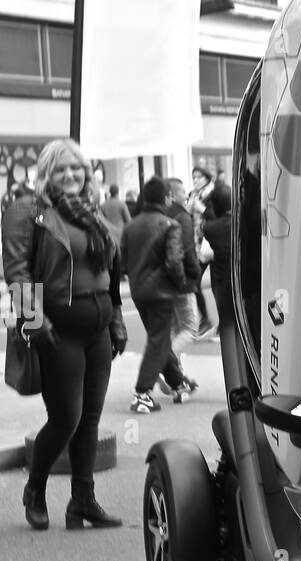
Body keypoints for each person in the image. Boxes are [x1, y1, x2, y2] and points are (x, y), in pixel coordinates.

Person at [1, 137, 126, 530]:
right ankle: (35, 488)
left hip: (99, 327)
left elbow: (111, 272)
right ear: (47, 173)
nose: (71, 174)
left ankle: (82, 502)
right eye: (61, 168)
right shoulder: (28, 210)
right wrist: (36, 324)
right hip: (57, 331)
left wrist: (117, 319)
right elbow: (16, 271)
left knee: (89, 419)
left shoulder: (91, 211)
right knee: (66, 419)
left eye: (77, 167)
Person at [121, 176, 190, 413]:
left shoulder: (131, 226)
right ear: (166, 197)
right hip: (161, 291)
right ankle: (142, 393)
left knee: (157, 339)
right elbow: (174, 262)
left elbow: (122, 262)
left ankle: (179, 382)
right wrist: (179, 283)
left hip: (139, 291)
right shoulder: (170, 224)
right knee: (158, 341)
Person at [163, 178, 201, 388]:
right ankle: (166, 366)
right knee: (189, 327)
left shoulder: (160, 216)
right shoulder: (183, 217)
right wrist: (193, 272)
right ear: (172, 195)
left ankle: (177, 377)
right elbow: (187, 249)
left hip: (163, 281)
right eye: (182, 192)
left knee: (174, 328)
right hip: (181, 279)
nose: (186, 195)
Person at [188, 165, 216, 334]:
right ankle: (205, 320)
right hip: (198, 246)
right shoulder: (193, 195)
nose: (196, 180)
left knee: (218, 286)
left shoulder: (213, 194)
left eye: (199, 177)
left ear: (207, 178)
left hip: (213, 243)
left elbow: (217, 216)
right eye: (194, 177)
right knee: (195, 283)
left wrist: (202, 209)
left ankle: (225, 323)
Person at [201, 178, 232, 329]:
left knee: (227, 326)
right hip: (243, 279)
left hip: (221, 279)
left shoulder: (210, 229)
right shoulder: (241, 223)